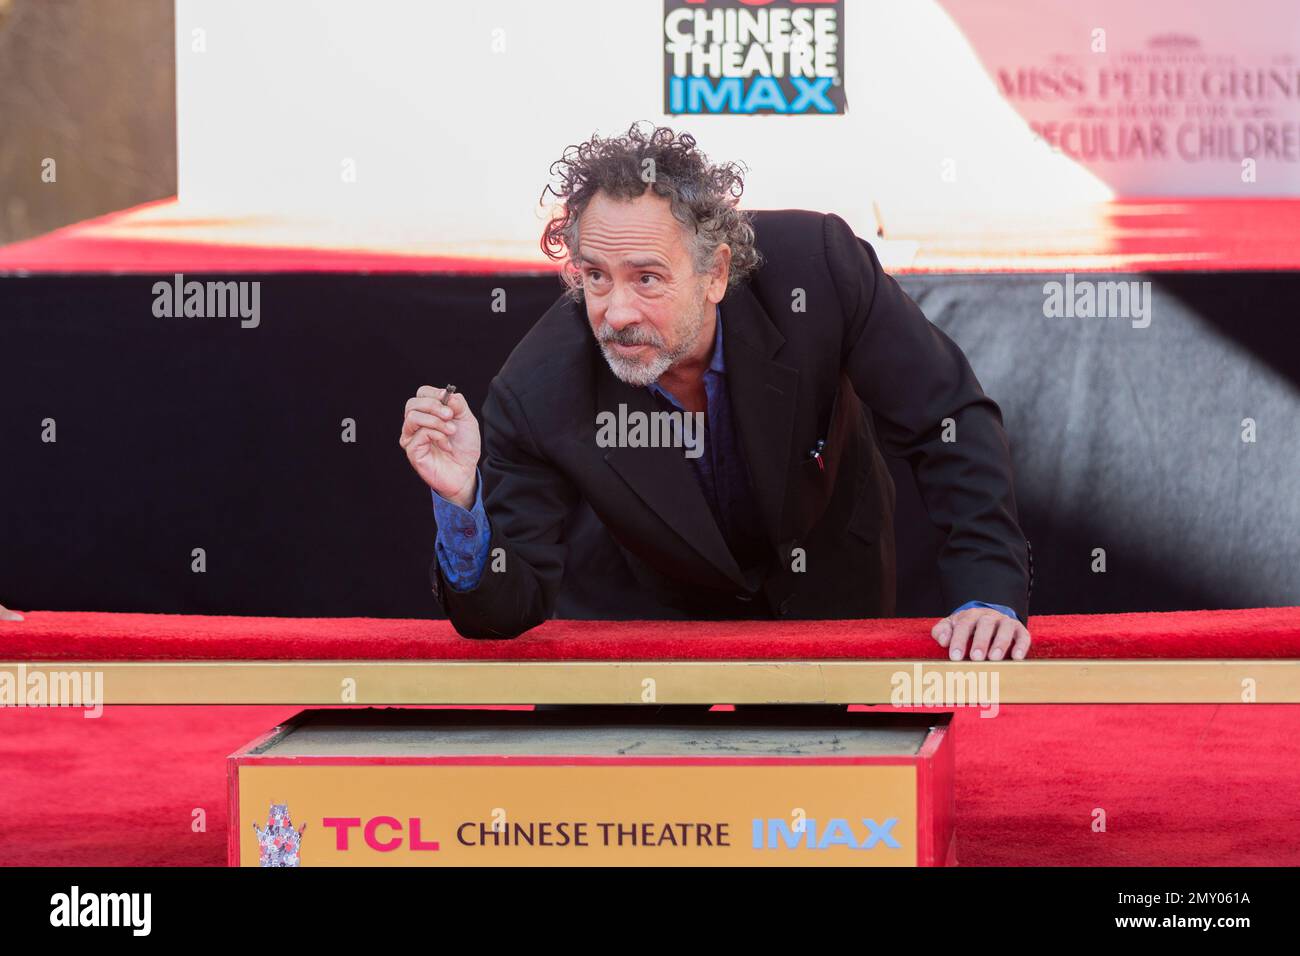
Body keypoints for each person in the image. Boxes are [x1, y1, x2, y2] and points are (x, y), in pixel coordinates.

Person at [400, 122, 1032, 662]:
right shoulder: (536, 390)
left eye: (647, 277)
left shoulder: (818, 266)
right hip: (658, 626)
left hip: (835, 588)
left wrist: (987, 591)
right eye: (595, 276)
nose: (616, 312)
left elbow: (944, 419)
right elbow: (503, 610)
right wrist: (463, 505)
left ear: (716, 272)